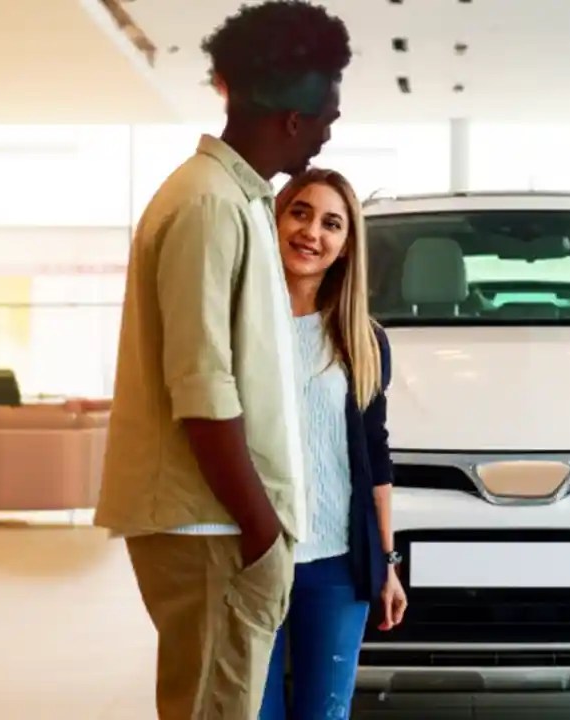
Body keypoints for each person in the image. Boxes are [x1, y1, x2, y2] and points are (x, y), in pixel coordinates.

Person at [93, 3, 352, 718]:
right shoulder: (208, 206)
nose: (332, 129)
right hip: (214, 526)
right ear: (294, 119)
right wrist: (261, 529)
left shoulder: (233, 201)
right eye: (328, 113)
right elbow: (202, 388)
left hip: (222, 523)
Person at [258, 168, 407, 720]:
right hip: (251, 556)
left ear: (346, 246)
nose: (312, 232)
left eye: (331, 223)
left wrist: (387, 563)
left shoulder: (361, 339)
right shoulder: (236, 324)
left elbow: (375, 456)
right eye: (299, 212)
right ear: (273, 221)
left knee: (323, 714)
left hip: (337, 564)